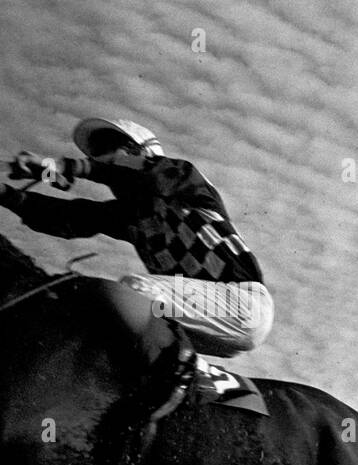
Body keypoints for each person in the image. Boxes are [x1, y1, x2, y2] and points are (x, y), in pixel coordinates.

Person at [1, 117, 271, 361]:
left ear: (140, 151)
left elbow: (142, 172)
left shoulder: (183, 178)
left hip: (242, 305)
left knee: (132, 290)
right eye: (95, 152)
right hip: (197, 318)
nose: (99, 156)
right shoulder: (131, 217)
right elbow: (68, 216)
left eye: (108, 147)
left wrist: (61, 166)